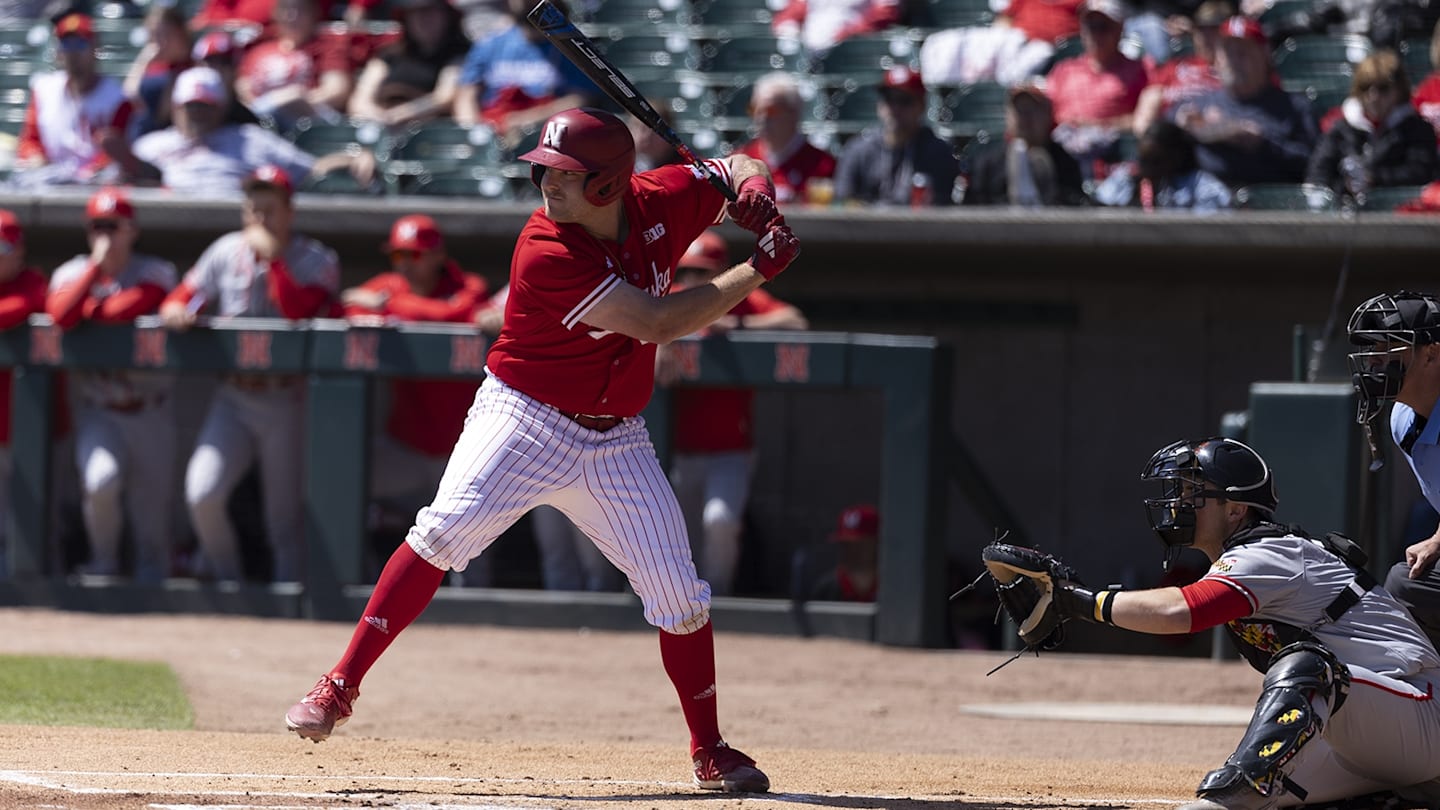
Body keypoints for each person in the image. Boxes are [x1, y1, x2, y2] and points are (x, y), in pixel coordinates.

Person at [282, 106, 800, 795]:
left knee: (681, 596)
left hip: (616, 436)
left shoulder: (664, 198)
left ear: (611, 186)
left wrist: (756, 190)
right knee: (442, 531)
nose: (545, 185)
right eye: (541, 172)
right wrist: (756, 268)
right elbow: (659, 322)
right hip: (525, 417)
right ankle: (340, 683)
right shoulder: (545, 248)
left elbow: (739, 164)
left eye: (562, 175)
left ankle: (709, 750)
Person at [1034, 436, 1440, 808]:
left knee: (1306, 672)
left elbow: (1185, 610)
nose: (1179, 503)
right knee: (1248, 796)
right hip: (1376, 736)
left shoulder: (1269, 553)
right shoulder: (1248, 555)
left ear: (1236, 509)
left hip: (1421, 712)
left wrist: (1081, 602)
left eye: (1194, 492)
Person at [158, 165, 340, 583]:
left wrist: (273, 260)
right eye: (253, 209)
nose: (259, 219)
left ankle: (287, 604)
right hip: (233, 396)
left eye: (269, 210)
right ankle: (228, 583)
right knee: (202, 492)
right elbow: (182, 297)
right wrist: (175, 311)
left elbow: (300, 309)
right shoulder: (225, 251)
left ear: (290, 212)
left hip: (285, 398)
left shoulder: (316, 258)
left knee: (284, 517)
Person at [339, 214, 493, 574]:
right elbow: (348, 304)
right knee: (342, 482)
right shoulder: (390, 285)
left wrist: (389, 307)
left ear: (438, 254)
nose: (405, 265)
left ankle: (480, 612)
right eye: (398, 256)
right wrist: (370, 306)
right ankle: (357, 575)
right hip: (403, 449)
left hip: (461, 455)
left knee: (477, 537)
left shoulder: (469, 286)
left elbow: (458, 313)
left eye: (415, 255)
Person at [658, 229, 808, 596]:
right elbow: (641, 322)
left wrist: (736, 324)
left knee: (720, 521)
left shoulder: (740, 301)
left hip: (731, 449)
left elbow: (796, 321)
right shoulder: (673, 301)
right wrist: (661, 340)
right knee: (679, 535)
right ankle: (683, 605)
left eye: (705, 272)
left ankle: (717, 598)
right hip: (677, 450)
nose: (695, 281)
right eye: (689, 272)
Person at [44, 188, 177, 583]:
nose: (104, 235)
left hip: (150, 407)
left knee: (151, 513)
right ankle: (103, 564)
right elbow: (61, 314)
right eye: (96, 226)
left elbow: (134, 304)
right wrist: (93, 271)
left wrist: (93, 310)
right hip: (99, 408)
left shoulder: (156, 271)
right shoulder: (71, 273)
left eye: (112, 226)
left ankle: (158, 594)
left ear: (131, 229)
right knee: (99, 481)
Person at [109, 66, 375, 195]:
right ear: (175, 107)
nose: (197, 114)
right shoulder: (149, 146)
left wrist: (353, 159)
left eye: (204, 106)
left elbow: (311, 169)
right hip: (163, 228)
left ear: (221, 108)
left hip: (234, 228)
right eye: (190, 106)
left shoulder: (250, 139)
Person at [1346, 290, 1440, 651]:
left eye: (1389, 348)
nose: (1374, 361)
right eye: (1372, 349)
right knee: (1409, 583)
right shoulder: (1403, 420)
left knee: (1405, 584)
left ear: (1431, 353)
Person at [1167, 16, 1318, 188]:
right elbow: (1159, 140)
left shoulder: (1295, 108)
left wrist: (1262, 144)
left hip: (1272, 205)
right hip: (1209, 206)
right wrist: (1179, 127)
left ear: (1264, 54)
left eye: (1242, 52)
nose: (1234, 61)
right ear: (1217, 58)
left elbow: (1312, 165)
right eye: (1227, 52)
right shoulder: (1198, 104)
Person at [10, 12, 134, 188]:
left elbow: (118, 152)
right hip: (49, 181)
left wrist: (89, 172)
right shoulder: (44, 89)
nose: (73, 53)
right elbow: (30, 140)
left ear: (94, 49)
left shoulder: (117, 99)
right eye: (66, 44)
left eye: (80, 44)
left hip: (97, 185)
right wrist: (35, 156)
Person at [1304, 50, 1439, 203]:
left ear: (1399, 90)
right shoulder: (1341, 129)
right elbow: (1318, 174)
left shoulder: (1418, 129)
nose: (1373, 96)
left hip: (1399, 218)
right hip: (1344, 219)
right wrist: (1344, 187)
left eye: (1383, 88)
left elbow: (1420, 173)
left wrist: (1374, 178)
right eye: (1365, 87)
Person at [452, 0, 597, 141]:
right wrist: (476, 131)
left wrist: (527, 119)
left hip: (548, 136)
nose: (528, 2)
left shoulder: (570, 46)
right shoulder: (491, 43)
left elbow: (580, 99)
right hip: (493, 133)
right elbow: (467, 95)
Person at [0, 211, 53, 576]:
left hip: (28, 427)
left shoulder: (33, 281)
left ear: (19, 252)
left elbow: (23, 307)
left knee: (36, 518)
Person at [1045, 0, 1150, 175]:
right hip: (1065, 154)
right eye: (1090, 26)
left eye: (1103, 27)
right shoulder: (1063, 70)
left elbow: (1146, 119)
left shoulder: (1141, 69)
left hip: (1117, 156)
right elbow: (1046, 114)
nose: (1095, 34)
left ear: (1119, 29)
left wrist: (1098, 126)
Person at [833, 66, 961, 207]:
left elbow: (940, 209)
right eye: (889, 100)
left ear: (921, 106)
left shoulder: (938, 153)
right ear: (879, 106)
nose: (895, 109)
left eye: (904, 101)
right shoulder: (858, 149)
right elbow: (843, 202)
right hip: (866, 227)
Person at [234, 0, 358, 133]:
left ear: (313, 14)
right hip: (263, 122)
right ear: (275, 14)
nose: (291, 16)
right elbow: (243, 89)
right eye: (285, 10)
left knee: (294, 96)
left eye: (300, 10)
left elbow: (336, 91)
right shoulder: (259, 48)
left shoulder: (328, 47)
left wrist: (292, 101)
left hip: (313, 121)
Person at [346, 0, 471, 128]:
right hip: (379, 128)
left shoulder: (460, 54)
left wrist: (399, 115)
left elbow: (444, 97)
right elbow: (360, 98)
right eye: (414, 13)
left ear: (447, 16)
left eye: (429, 12)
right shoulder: (388, 53)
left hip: (427, 134)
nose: (423, 19)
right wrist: (375, 115)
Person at [962, 83, 1087, 206]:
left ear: (1048, 114)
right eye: (1019, 110)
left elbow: (1074, 205)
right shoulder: (987, 162)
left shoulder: (1065, 162)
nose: (1026, 117)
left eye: (1033, 110)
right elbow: (973, 206)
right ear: (1008, 116)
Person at [1131, 0, 1231, 137]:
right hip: (1172, 138)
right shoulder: (1175, 66)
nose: (1205, 37)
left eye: (1213, 30)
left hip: (1216, 134)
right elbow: (1144, 116)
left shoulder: (1237, 70)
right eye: (1201, 29)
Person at [736, 72, 837, 206]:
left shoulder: (823, 166)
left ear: (794, 114)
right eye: (755, 109)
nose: (761, 118)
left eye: (771, 111)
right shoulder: (740, 161)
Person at [1093, 119, 1233, 209]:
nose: (1146, 167)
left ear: (1176, 157)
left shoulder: (1201, 185)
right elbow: (1097, 210)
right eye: (1143, 159)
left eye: (1155, 160)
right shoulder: (1127, 179)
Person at [122, 3, 193, 137]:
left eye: (165, 34)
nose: (159, 42)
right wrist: (144, 59)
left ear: (180, 33)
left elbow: (162, 114)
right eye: (154, 35)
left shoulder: (191, 67)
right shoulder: (153, 64)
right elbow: (129, 95)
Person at [771, 0, 904, 55]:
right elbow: (789, 16)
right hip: (810, 52)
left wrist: (848, 34)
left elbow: (885, 13)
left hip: (852, 51)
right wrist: (792, 34)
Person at [807, 503, 878, 602]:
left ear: (877, 543)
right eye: (846, 544)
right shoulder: (826, 589)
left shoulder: (893, 586)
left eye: (860, 544)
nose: (852, 551)